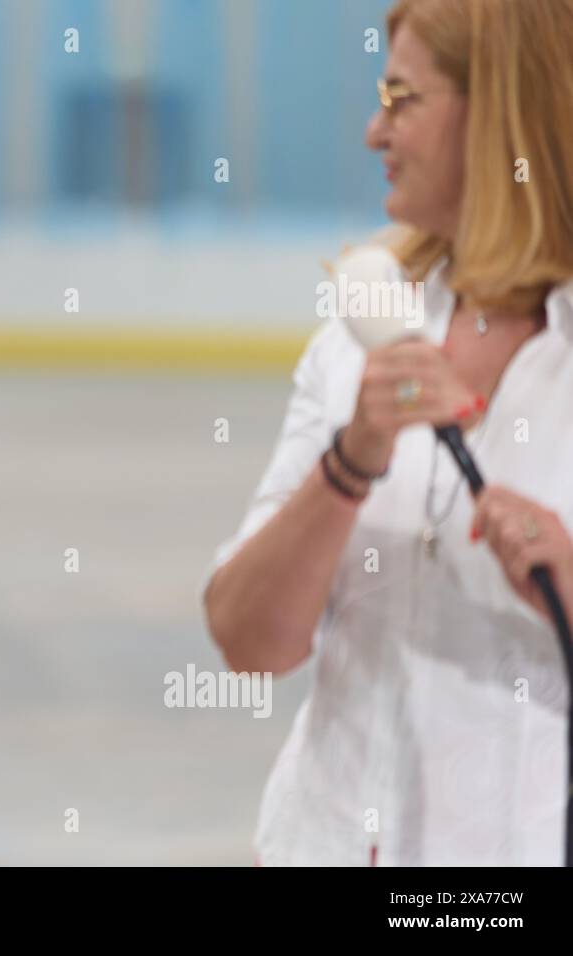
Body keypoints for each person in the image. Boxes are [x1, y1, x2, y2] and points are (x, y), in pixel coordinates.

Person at [202, 0, 573, 865]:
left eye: (402, 97)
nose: (376, 131)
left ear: (502, 113)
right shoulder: (359, 340)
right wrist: (349, 462)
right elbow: (248, 643)